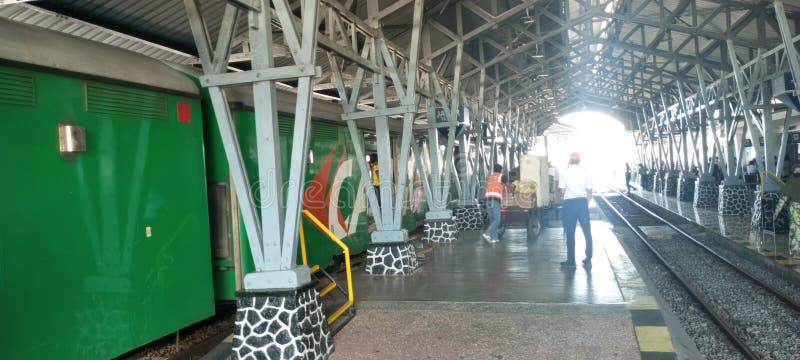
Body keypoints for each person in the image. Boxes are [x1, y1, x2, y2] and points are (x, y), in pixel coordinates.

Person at [557, 152, 593, 268]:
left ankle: (571, 261)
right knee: (587, 232)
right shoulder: (585, 172)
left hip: (569, 204)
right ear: (579, 160)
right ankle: (588, 259)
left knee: (570, 233)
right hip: (582, 203)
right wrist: (585, 203)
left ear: (569, 160)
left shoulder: (564, 172)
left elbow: (562, 190)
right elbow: (589, 190)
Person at [774, 163, 800, 260]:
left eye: (799, 170)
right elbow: (783, 198)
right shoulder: (791, 183)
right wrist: (777, 211)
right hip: (794, 208)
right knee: (797, 228)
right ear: (793, 172)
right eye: (796, 171)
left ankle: (795, 250)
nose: (798, 172)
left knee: (795, 229)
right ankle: (796, 252)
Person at [482, 164, 504, 243]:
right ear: (500, 170)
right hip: (495, 199)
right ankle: (487, 233)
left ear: (494, 170)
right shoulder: (501, 176)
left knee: (492, 220)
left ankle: (494, 238)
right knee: (497, 220)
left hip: (488, 200)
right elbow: (508, 185)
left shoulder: (490, 177)